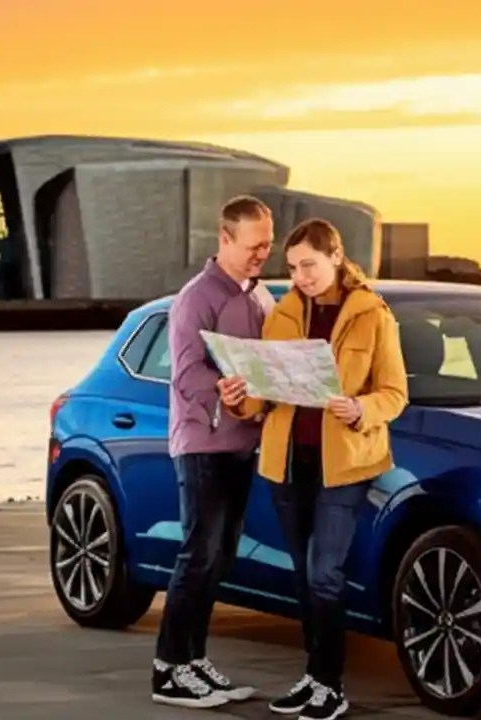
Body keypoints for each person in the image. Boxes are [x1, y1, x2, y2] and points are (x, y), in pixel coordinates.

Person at [220, 218, 408, 720]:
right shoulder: (283, 313)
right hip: (287, 464)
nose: (300, 277)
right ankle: (314, 675)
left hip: (343, 466)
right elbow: (262, 398)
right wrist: (238, 397)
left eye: (309, 265)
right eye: (292, 268)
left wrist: (361, 408)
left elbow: (394, 393)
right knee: (304, 575)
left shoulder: (372, 315)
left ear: (336, 257)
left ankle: (331, 685)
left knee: (325, 573)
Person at [151, 195, 276, 709]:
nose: (261, 254)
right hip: (203, 443)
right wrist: (222, 385)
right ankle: (168, 670)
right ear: (225, 239)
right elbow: (185, 373)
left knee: (221, 555)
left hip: (243, 442)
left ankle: (194, 658)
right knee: (199, 554)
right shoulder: (196, 298)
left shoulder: (259, 294)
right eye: (253, 245)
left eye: (267, 245)